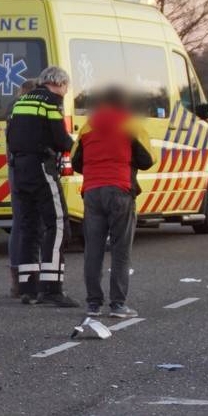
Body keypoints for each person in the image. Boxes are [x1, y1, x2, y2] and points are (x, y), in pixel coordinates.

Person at [71, 86, 154, 319]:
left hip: (92, 192)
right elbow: (148, 159)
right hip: (120, 190)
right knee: (120, 249)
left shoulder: (88, 126)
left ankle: (93, 304)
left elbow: (76, 160)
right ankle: (118, 305)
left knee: (93, 249)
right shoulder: (130, 124)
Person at [6, 66, 79, 307]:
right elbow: (60, 139)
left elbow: (12, 135)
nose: (65, 93)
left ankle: (29, 287)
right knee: (57, 224)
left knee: (29, 227)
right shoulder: (51, 101)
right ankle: (52, 288)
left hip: (19, 169)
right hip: (40, 167)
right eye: (66, 89)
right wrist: (76, 145)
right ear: (60, 84)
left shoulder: (22, 100)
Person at [7, 78, 38, 298]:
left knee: (19, 223)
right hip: (30, 170)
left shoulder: (13, 111)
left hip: (15, 168)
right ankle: (33, 279)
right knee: (33, 225)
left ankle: (17, 279)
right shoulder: (31, 112)